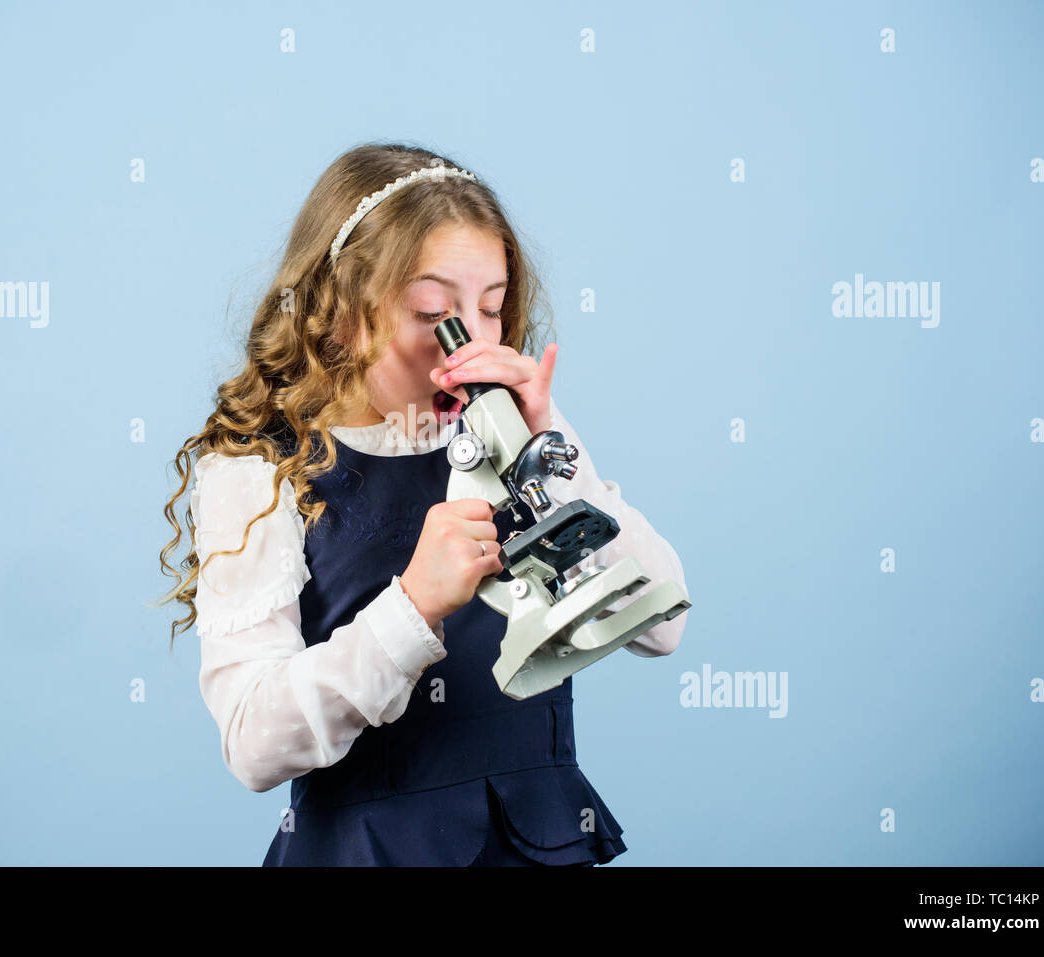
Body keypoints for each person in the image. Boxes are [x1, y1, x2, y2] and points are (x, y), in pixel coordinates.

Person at [157, 143, 690, 866]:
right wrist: (411, 607)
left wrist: (552, 442)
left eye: (493, 310)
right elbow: (253, 743)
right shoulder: (262, 473)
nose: (467, 344)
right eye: (434, 312)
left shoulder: (510, 442)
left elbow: (663, 624)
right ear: (340, 315)